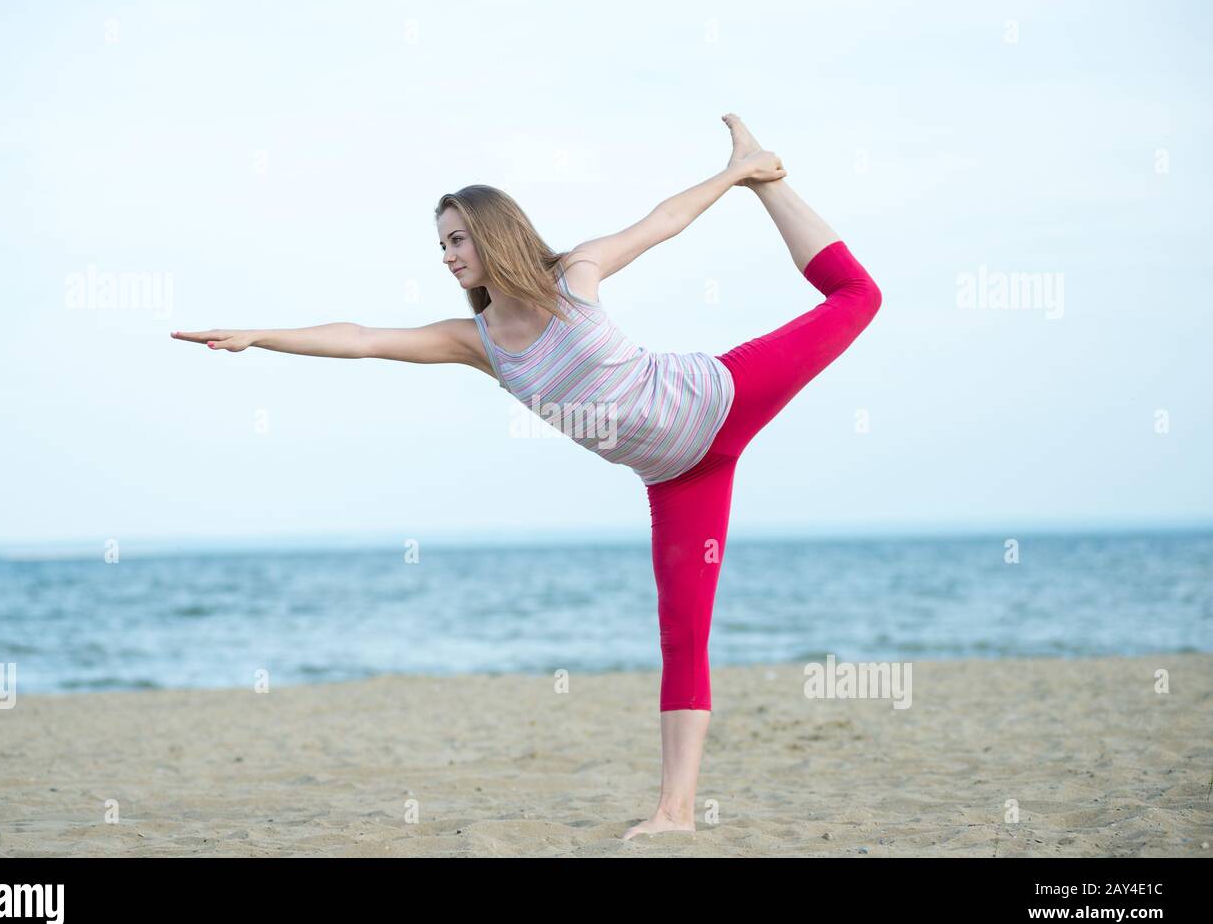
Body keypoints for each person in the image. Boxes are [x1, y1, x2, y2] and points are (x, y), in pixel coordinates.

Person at [172, 113, 883, 841]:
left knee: (859, 298)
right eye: (442, 245)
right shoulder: (477, 343)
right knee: (681, 636)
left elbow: (664, 220)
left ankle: (768, 175)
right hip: (677, 478)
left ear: (494, 232)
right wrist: (262, 336)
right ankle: (674, 812)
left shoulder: (573, 275)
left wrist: (737, 176)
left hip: (722, 396)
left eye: (457, 239)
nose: (447, 256)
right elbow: (363, 337)